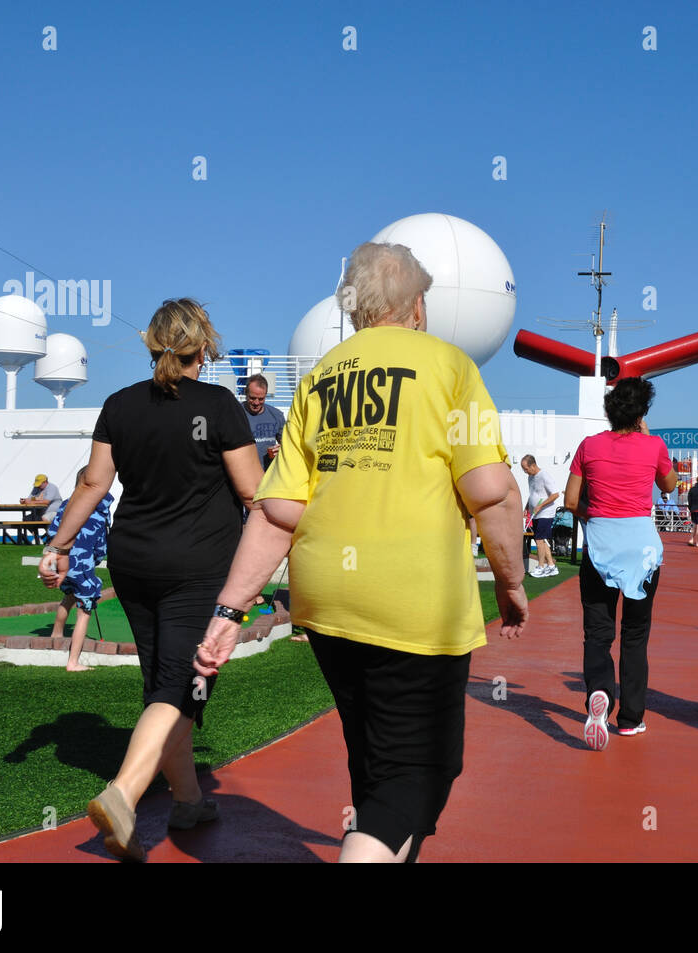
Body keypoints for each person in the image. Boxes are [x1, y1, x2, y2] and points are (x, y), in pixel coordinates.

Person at [196, 241, 527, 863]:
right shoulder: (451, 368)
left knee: (375, 760)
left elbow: (277, 511)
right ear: (418, 306)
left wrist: (229, 610)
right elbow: (491, 490)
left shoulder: (321, 377)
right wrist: (510, 584)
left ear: (353, 308)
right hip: (414, 600)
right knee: (421, 771)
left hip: (329, 601)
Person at [39, 298, 262, 862]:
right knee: (185, 684)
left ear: (151, 345)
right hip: (199, 568)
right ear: (203, 347)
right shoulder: (219, 406)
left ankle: (188, 802)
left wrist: (58, 545)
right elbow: (253, 494)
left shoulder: (119, 404)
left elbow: (92, 485)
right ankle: (123, 795)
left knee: (164, 683)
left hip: (133, 562)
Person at [564, 377, 678, 749]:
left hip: (600, 546)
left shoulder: (589, 446)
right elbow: (670, 485)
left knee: (598, 633)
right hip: (642, 550)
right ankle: (630, 719)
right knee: (635, 634)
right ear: (642, 412)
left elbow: (570, 500)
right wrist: (648, 435)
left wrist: (592, 517)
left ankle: (599, 691)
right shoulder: (654, 445)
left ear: (609, 412)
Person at [45, 467, 113, 672]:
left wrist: (51, 555)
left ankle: (56, 634)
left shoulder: (66, 506)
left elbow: (52, 533)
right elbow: (101, 544)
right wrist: (97, 557)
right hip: (82, 563)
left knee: (69, 595)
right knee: (85, 611)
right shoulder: (100, 512)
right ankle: (73, 661)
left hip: (61, 561)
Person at [521, 454, 562, 576]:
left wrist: (540, 506)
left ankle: (541, 567)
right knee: (542, 540)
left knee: (538, 540)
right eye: (523, 469)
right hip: (536, 513)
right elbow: (533, 494)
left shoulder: (544, 475)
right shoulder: (530, 477)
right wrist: (527, 507)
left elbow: (555, 494)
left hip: (546, 513)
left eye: (526, 469)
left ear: (533, 465)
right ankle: (551, 566)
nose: (525, 471)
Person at [242, 373, 286, 469]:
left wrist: (282, 449)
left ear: (266, 395)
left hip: (269, 474)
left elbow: (286, 443)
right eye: (252, 398)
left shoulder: (277, 415)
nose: (256, 403)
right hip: (244, 473)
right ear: (246, 393)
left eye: (261, 399)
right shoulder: (236, 413)